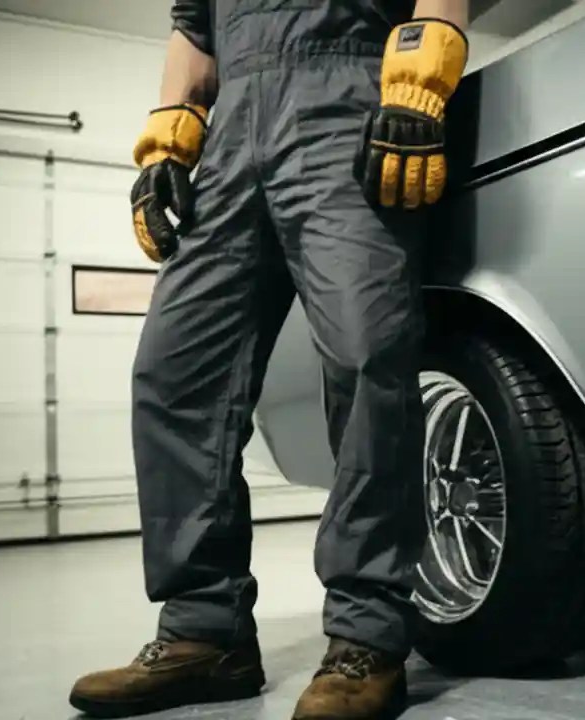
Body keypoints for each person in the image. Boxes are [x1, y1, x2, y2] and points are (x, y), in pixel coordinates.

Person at [68, 1, 471, 718]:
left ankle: (367, 637)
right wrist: (168, 139)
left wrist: (420, 77)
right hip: (231, 131)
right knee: (174, 375)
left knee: (367, 356)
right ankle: (204, 632)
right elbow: (196, 29)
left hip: (346, 97)